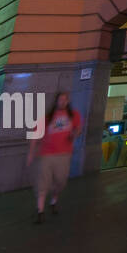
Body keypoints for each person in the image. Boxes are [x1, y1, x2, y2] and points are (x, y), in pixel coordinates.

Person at [28, 92, 82, 223]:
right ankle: (40, 211)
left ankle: (54, 199)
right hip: (46, 154)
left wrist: (74, 134)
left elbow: (78, 128)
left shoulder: (74, 115)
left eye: (65, 99)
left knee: (60, 181)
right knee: (43, 182)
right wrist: (31, 153)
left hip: (64, 154)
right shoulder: (48, 117)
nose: (62, 102)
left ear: (68, 101)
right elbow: (35, 135)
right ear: (56, 101)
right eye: (60, 99)